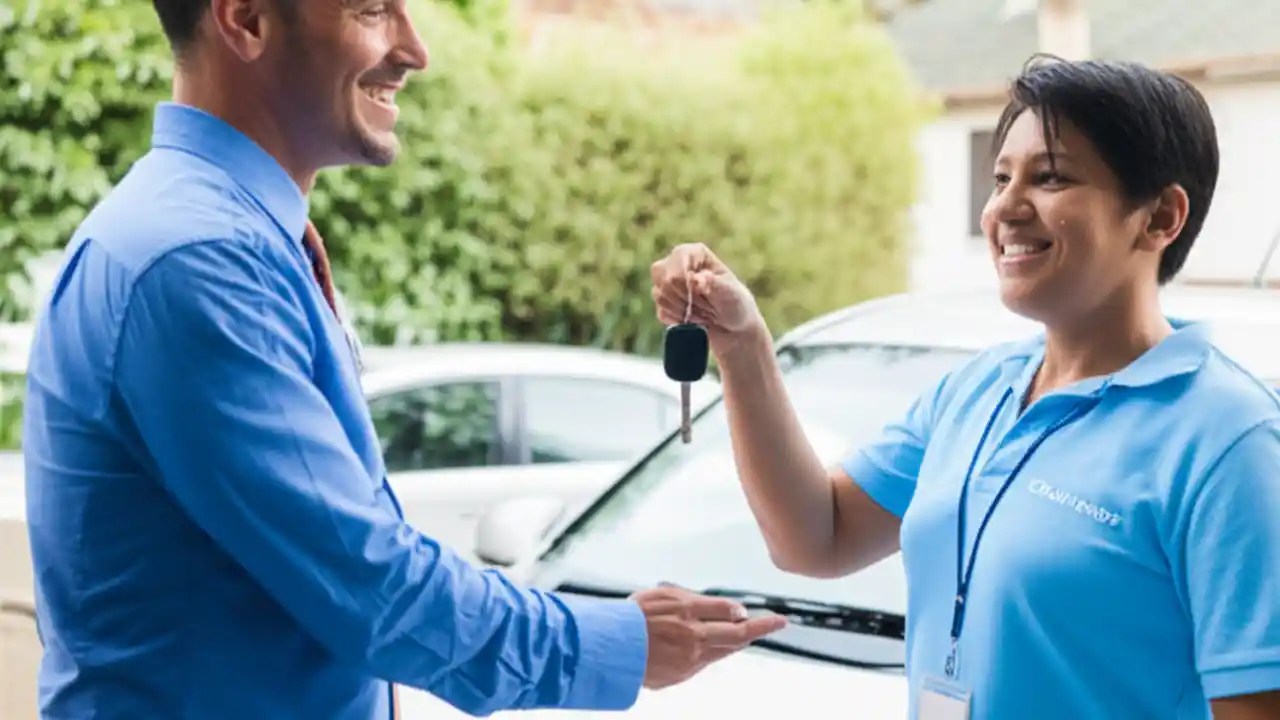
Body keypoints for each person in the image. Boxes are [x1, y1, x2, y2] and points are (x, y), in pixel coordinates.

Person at [20, 0, 786, 717]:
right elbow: (371, 587)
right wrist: (616, 642)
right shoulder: (199, 259)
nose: (414, 51)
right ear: (247, 18)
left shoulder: (221, 236)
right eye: (372, 10)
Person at [650, 56, 1280, 719]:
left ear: (1160, 218)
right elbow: (816, 536)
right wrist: (743, 345)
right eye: (1001, 177)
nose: (1005, 208)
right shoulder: (977, 390)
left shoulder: (1231, 443)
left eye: (1052, 177)